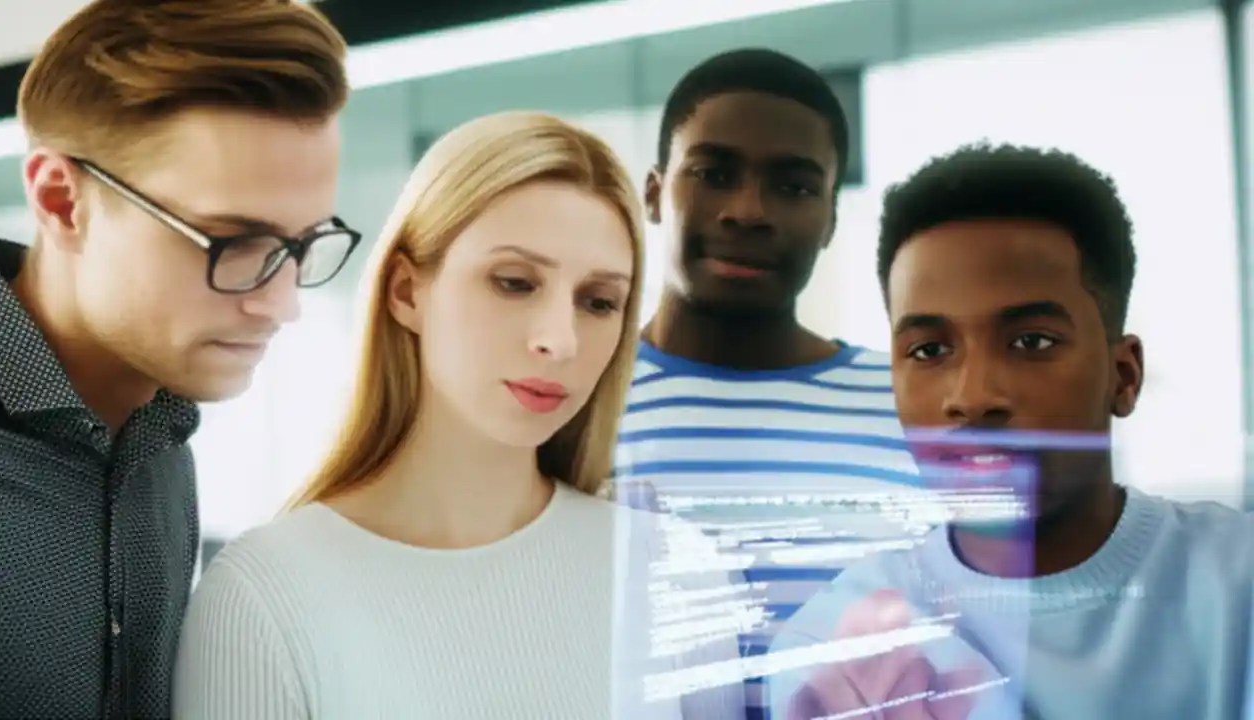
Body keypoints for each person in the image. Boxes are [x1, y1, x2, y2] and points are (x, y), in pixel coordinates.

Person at [172, 111, 745, 719]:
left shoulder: (671, 571)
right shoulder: (264, 595)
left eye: (598, 302)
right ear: (405, 291)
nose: (561, 340)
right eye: (514, 283)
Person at [767, 144, 1254, 719]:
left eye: (1032, 342)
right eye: (929, 350)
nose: (973, 398)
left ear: (1123, 377)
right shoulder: (841, 650)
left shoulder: (1238, 586)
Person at [0, 1, 354, 717]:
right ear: (62, 201)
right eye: (231, 242)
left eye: (299, 246)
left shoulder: (161, 440)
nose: (281, 304)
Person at [615, 48, 921, 719]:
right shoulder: (574, 401)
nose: (748, 211)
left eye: (794, 187)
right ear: (654, 193)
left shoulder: (911, 403)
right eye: (714, 173)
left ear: (833, 219)